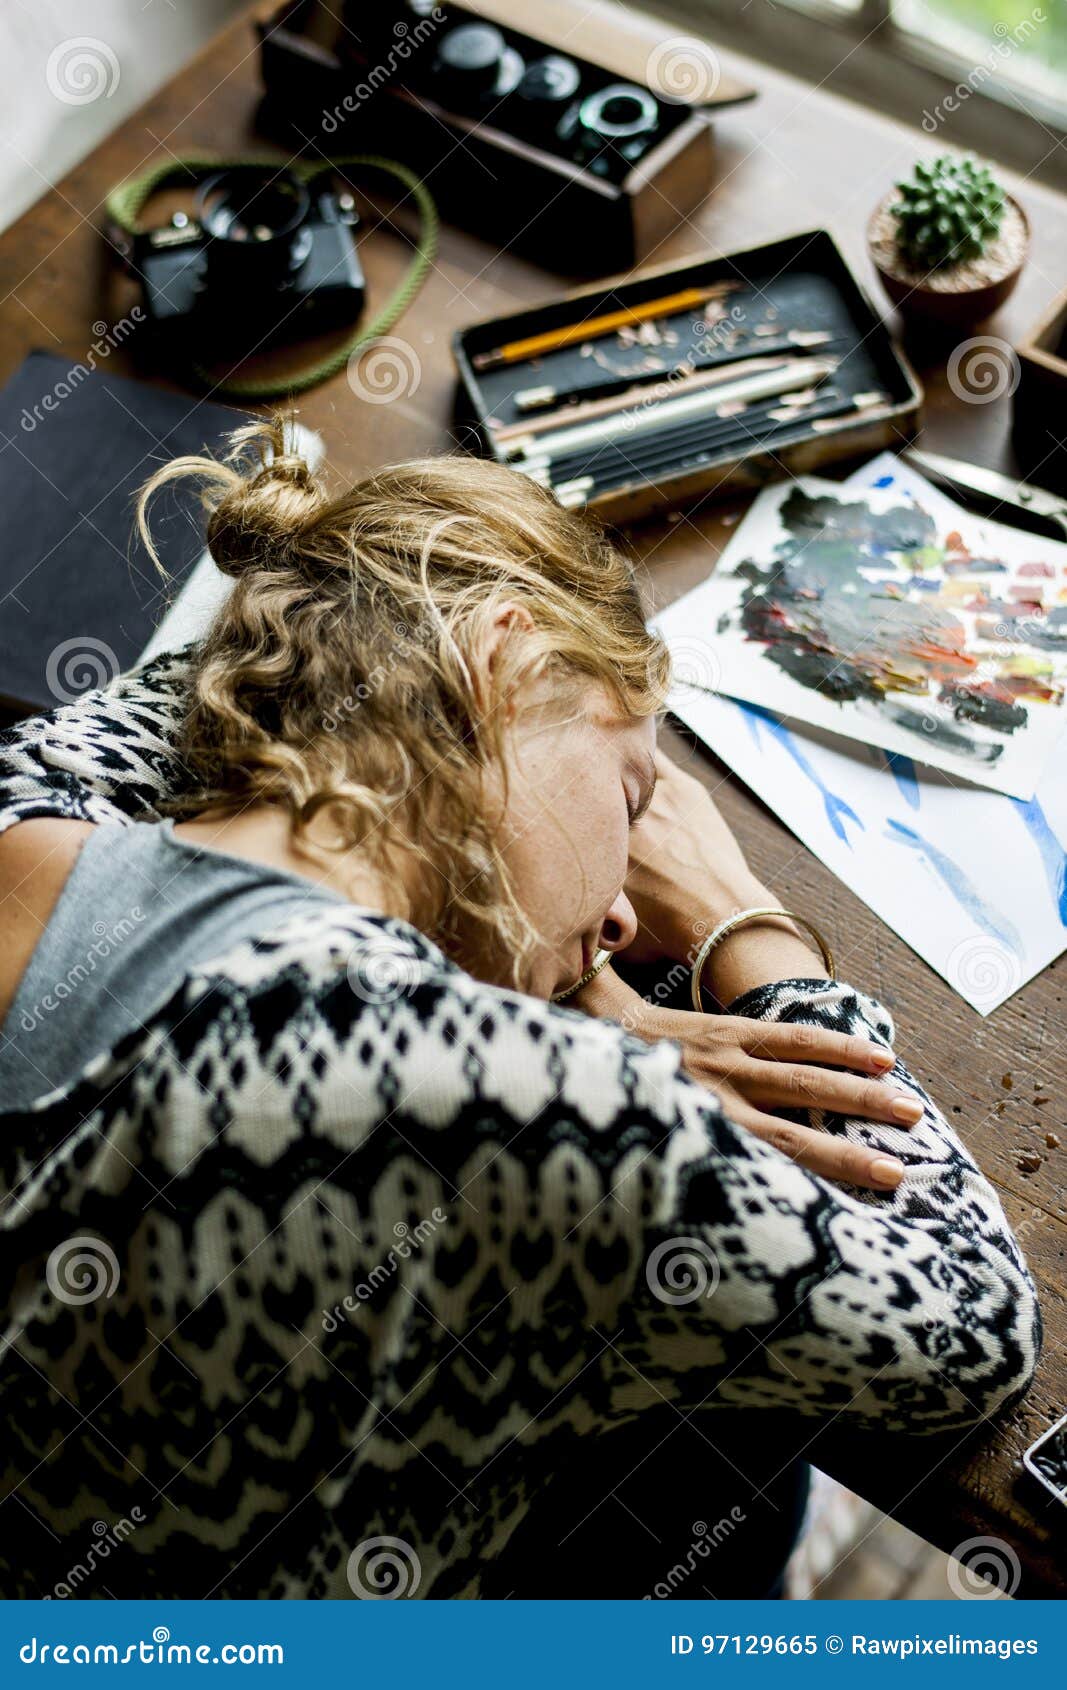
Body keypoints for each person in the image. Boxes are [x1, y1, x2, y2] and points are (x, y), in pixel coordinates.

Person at [0, 419, 1040, 1600]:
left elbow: (192, 691)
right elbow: (970, 1319)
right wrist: (739, 920)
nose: (612, 921)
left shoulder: (28, 833)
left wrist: (546, 932)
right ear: (502, 654)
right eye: (632, 790)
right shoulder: (526, 1107)